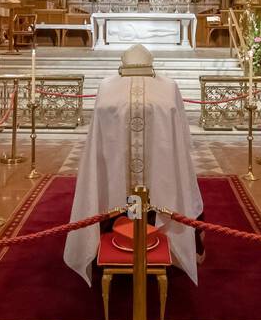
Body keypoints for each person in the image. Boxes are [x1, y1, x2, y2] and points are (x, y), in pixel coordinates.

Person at [64, 44, 204, 285]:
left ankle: (118, 235)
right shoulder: (166, 87)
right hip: (159, 168)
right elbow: (181, 135)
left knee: (117, 191)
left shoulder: (110, 87)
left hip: (116, 167)